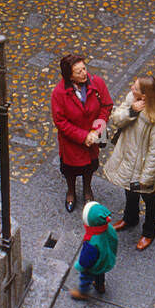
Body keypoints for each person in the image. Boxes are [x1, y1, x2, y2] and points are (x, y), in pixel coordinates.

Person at [103, 75, 155, 251]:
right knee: (129, 191)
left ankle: (149, 232)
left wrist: (147, 177)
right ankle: (130, 218)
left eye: (136, 87)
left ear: (145, 95)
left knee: (149, 198)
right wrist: (131, 111)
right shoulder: (131, 99)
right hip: (127, 159)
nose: (132, 87)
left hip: (141, 167)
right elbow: (116, 119)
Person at [50, 54, 112, 212]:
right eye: (78, 72)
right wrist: (83, 136)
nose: (84, 73)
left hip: (93, 139)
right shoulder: (59, 93)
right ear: (69, 76)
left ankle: (87, 190)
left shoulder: (97, 83)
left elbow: (106, 106)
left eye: (84, 68)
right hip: (72, 142)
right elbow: (60, 122)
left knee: (90, 167)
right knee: (69, 170)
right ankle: (71, 191)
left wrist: (96, 131)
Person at [70, 201, 117, 300]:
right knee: (100, 274)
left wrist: (80, 266)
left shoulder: (92, 242)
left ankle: (83, 293)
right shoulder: (109, 228)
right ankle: (100, 286)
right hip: (104, 260)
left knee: (85, 277)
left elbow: (85, 260)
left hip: (93, 266)